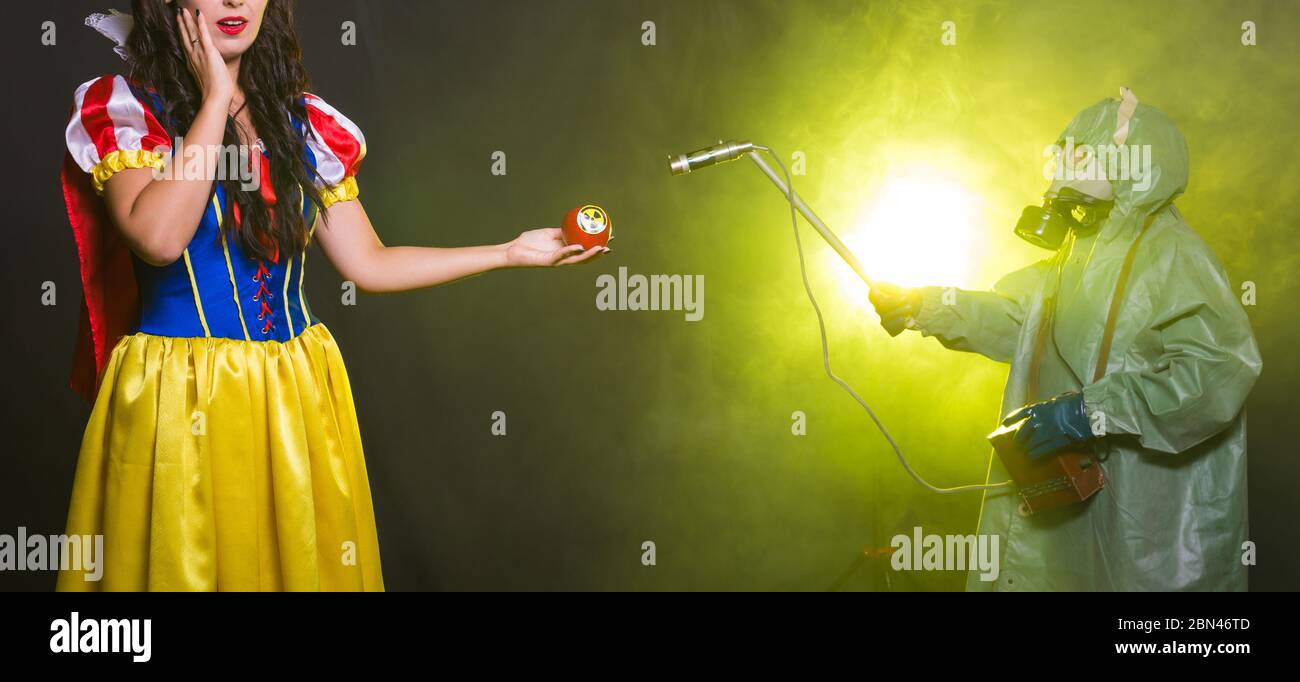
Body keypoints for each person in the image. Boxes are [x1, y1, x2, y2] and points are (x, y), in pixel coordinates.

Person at [57, 0, 603, 591]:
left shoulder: (299, 124)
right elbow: (159, 241)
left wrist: (508, 252)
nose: (237, 2)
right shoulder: (130, 112)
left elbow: (369, 263)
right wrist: (215, 101)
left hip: (295, 392)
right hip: (181, 393)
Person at [868, 88, 1262, 591]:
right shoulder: (1077, 255)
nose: (1060, 167)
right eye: (1064, 153)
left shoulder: (1174, 255)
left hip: (1143, 516)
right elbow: (1022, 322)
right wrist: (927, 304)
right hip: (1063, 506)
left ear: (1130, 162)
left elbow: (1218, 370)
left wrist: (1089, 412)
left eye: (1080, 153)